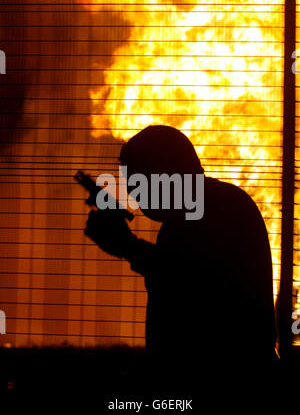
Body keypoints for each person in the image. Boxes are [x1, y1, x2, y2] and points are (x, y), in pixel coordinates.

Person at [85, 125, 277, 392]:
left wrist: (128, 246)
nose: (133, 195)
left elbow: (194, 287)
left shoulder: (216, 209)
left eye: (138, 181)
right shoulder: (200, 211)